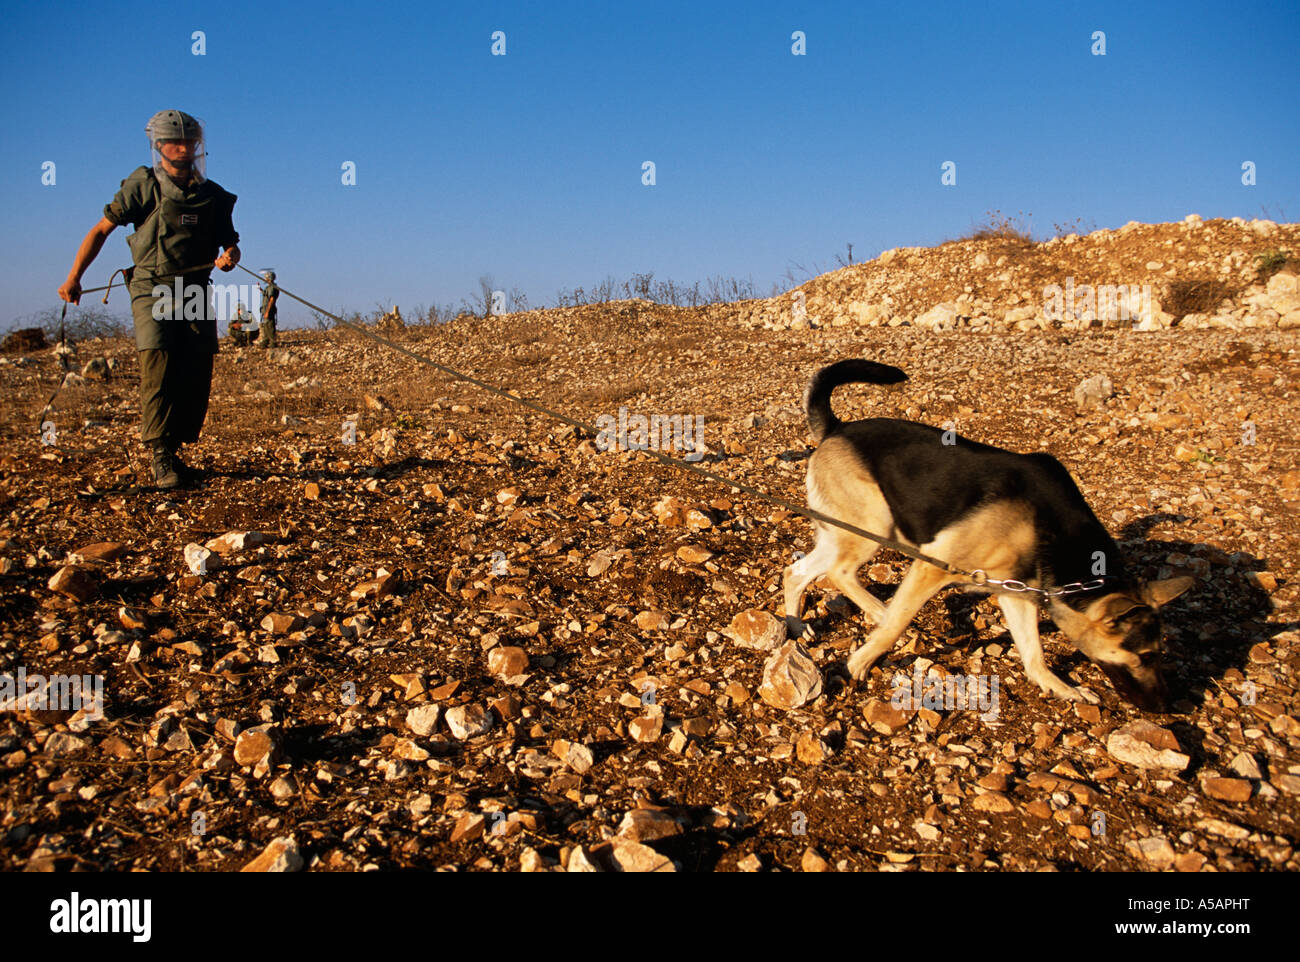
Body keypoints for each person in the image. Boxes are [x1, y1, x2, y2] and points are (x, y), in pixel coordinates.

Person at [58, 109, 240, 489]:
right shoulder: (144, 186)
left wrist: (229, 258)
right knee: (158, 362)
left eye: (190, 141)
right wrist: (75, 276)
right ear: (159, 146)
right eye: (176, 141)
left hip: (194, 289)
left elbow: (231, 244)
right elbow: (100, 230)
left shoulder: (212, 196)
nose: (184, 148)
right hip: (152, 287)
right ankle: (159, 456)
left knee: (196, 367)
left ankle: (174, 450)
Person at [258, 269, 279, 348]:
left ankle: (273, 341)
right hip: (266, 309)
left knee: (270, 325)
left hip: (269, 310)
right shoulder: (268, 287)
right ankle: (266, 340)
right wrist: (260, 289)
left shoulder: (272, 288)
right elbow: (266, 294)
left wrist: (267, 311)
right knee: (266, 325)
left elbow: (272, 299)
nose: (265, 279)